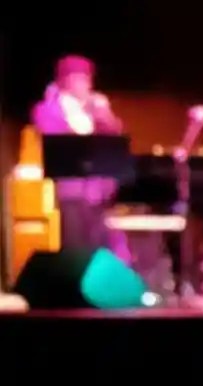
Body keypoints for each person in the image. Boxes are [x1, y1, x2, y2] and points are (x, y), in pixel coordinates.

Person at [31, 55, 127, 257]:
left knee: (103, 245)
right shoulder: (48, 109)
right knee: (76, 244)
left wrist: (104, 115)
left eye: (87, 78)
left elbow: (116, 138)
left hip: (98, 190)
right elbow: (55, 140)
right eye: (80, 77)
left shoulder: (96, 108)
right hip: (70, 189)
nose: (86, 83)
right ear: (65, 79)